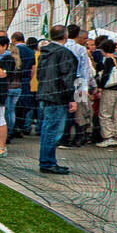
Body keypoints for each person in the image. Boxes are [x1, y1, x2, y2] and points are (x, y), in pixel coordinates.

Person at [36, 25, 79, 175]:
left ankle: (47, 161)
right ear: (65, 35)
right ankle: (48, 162)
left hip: (45, 94)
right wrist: (72, 98)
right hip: (57, 96)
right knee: (53, 131)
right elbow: (68, 77)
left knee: (48, 129)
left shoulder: (44, 53)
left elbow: (39, 74)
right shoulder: (64, 53)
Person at [94, 39, 117, 147]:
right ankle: (116, 135)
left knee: (105, 113)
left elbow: (106, 75)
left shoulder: (108, 60)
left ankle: (108, 136)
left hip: (110, 89)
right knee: (116, 113)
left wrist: (100, 87)